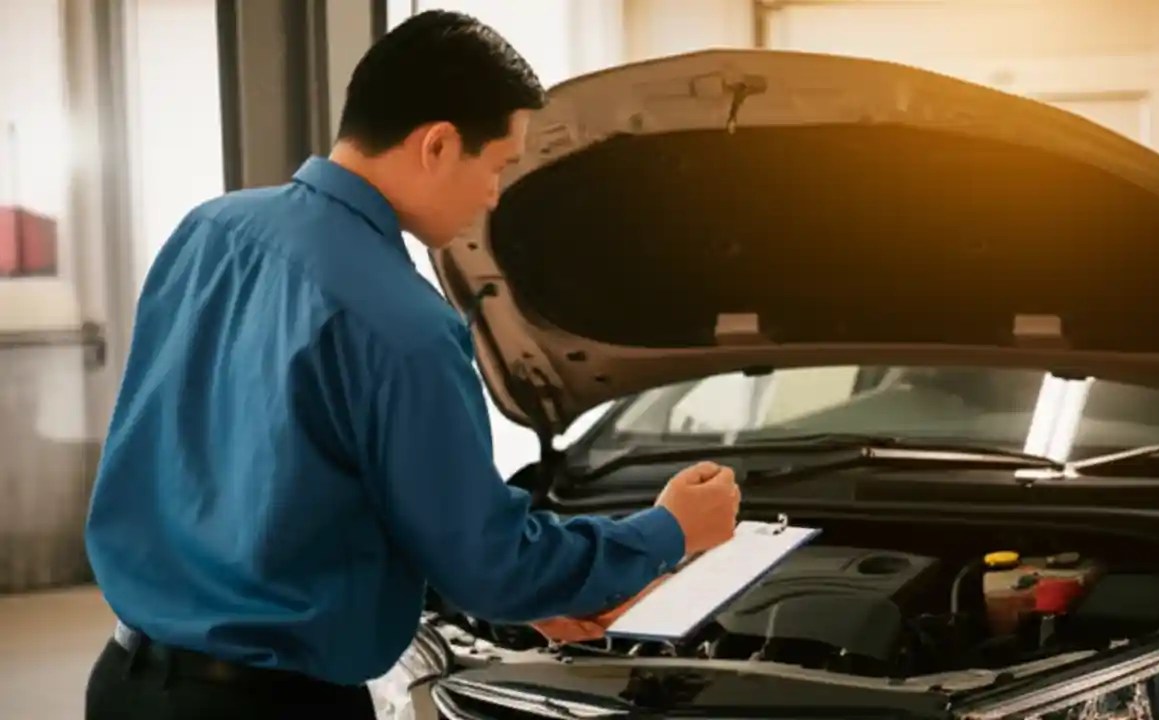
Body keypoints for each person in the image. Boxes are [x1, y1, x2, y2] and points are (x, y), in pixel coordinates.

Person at [83, 11, 740, 719]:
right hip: (265, 706)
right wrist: (669, 530)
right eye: (496, 166)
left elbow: (277, 491)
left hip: (125, 681)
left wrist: (530, 595)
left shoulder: (209, 230)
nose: (495, 195)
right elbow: (495, 564)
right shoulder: (403, 323)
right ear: (437, 144)